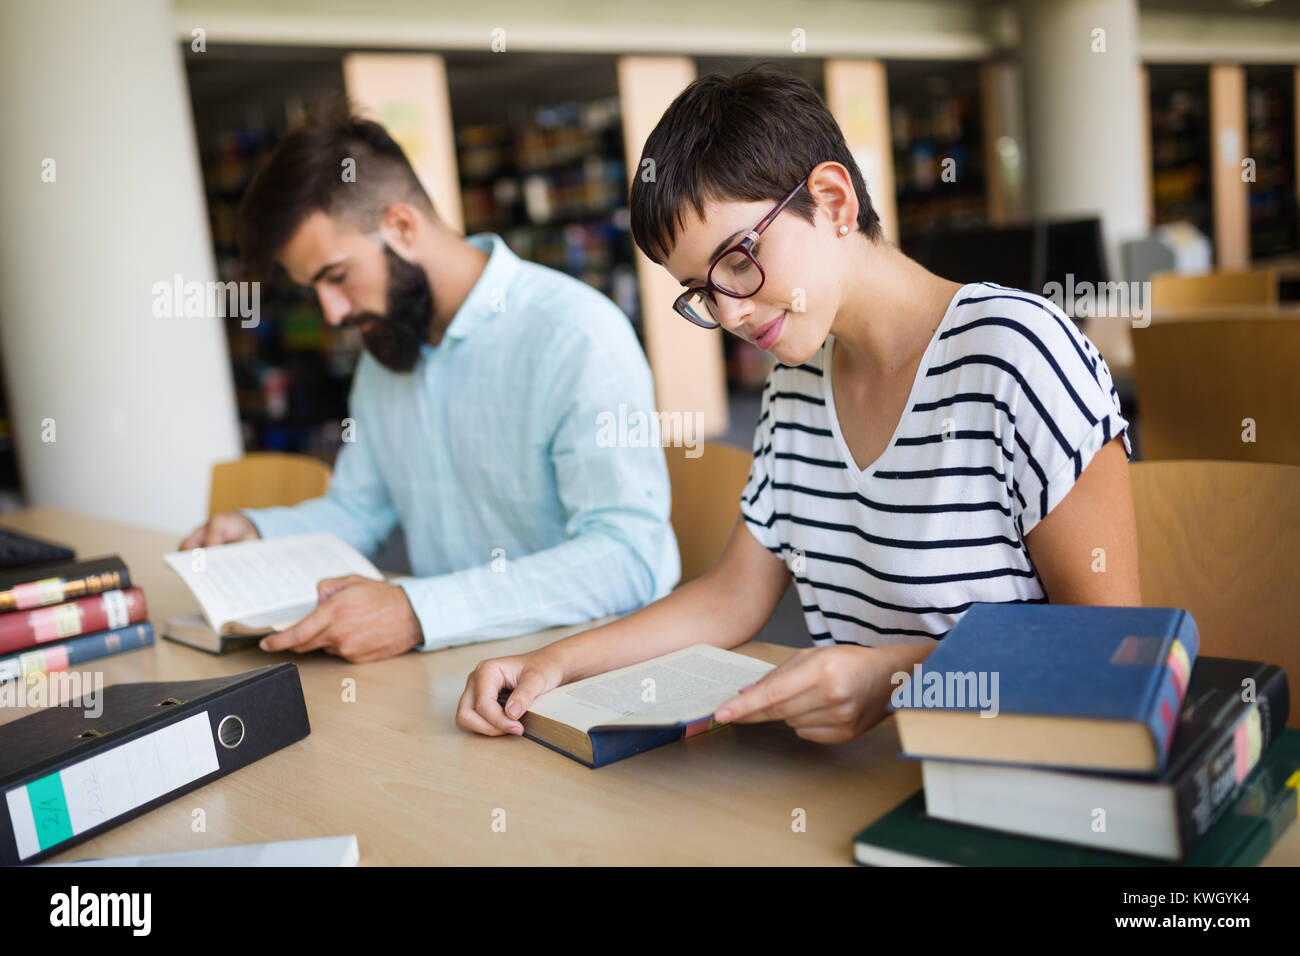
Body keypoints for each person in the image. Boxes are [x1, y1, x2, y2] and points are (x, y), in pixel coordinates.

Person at [458, 66, 1139, 743]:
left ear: (835, 202)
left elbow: (1110, 643)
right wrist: (553, 663)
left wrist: (900, 679)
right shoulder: (797, 382)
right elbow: (733, 596)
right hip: (863, 776)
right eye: (701, 289)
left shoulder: (1017, 354)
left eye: (737, 259)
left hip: (1019, 774)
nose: (729, 313)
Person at [180, 103, 679, 663]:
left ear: (402, 226)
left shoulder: (575, 335)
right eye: (312, 290)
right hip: (451, 665)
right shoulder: (385, 351)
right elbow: (360, 510)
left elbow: (628, 556)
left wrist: (420, 611)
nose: (331, 312)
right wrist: (258, 534)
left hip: (586, 671)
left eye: (337, 277)